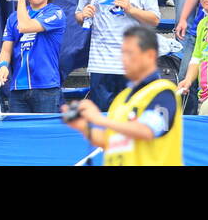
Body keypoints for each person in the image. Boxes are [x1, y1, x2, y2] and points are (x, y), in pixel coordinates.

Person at [64, 25, 182, 166]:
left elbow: (147, 130)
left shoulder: (163, 91)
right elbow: (111, 141)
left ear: (150, 55)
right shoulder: (122, 98)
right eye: (122, 53)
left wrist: (99, 119)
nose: (124, 59)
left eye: (130, 53)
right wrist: (83, 126)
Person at [76, 0, 161, 108]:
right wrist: (82, 15)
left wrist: (131, 9)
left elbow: (155, 20)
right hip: (100, 64)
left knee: (129, 118)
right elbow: (78, 16)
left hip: (131, 66)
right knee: (103, 118)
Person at [0, 0, 66, 113]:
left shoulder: (55, 13)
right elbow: (6, 49)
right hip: (18, 87)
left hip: (45, 87)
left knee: (42, 133)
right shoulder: (13, 17)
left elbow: (25, 26)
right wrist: (2, 66)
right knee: (19, 134)